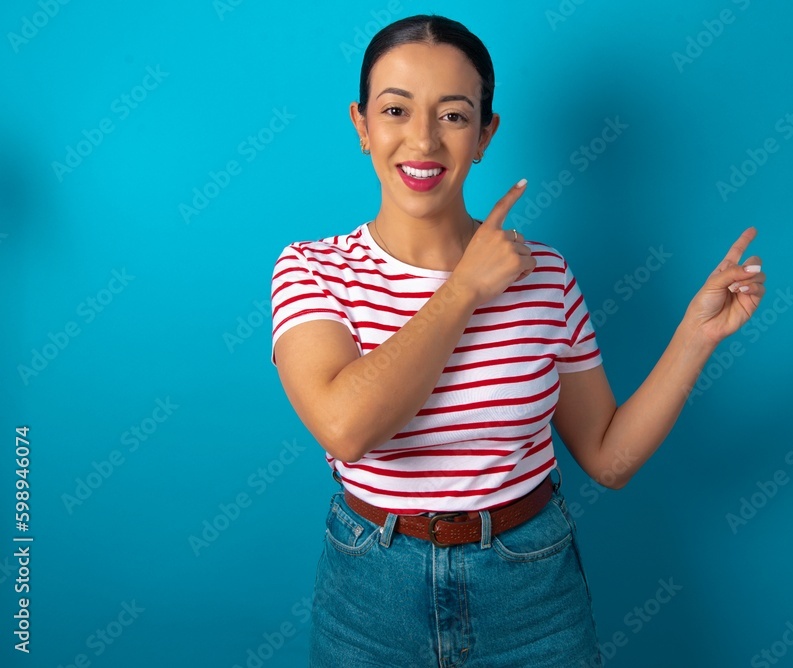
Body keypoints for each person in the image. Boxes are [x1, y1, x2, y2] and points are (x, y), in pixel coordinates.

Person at [269, 13, 766, 668]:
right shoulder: (311, 269)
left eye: (452, 115)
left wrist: (695, 339)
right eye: (396, 110)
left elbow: (608, 458)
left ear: (484, 133)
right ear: (362, 125)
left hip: (531, 587)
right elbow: (345, 427)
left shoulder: (547, 274)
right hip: (370, 589)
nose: (422, 139)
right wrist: (464, 288)